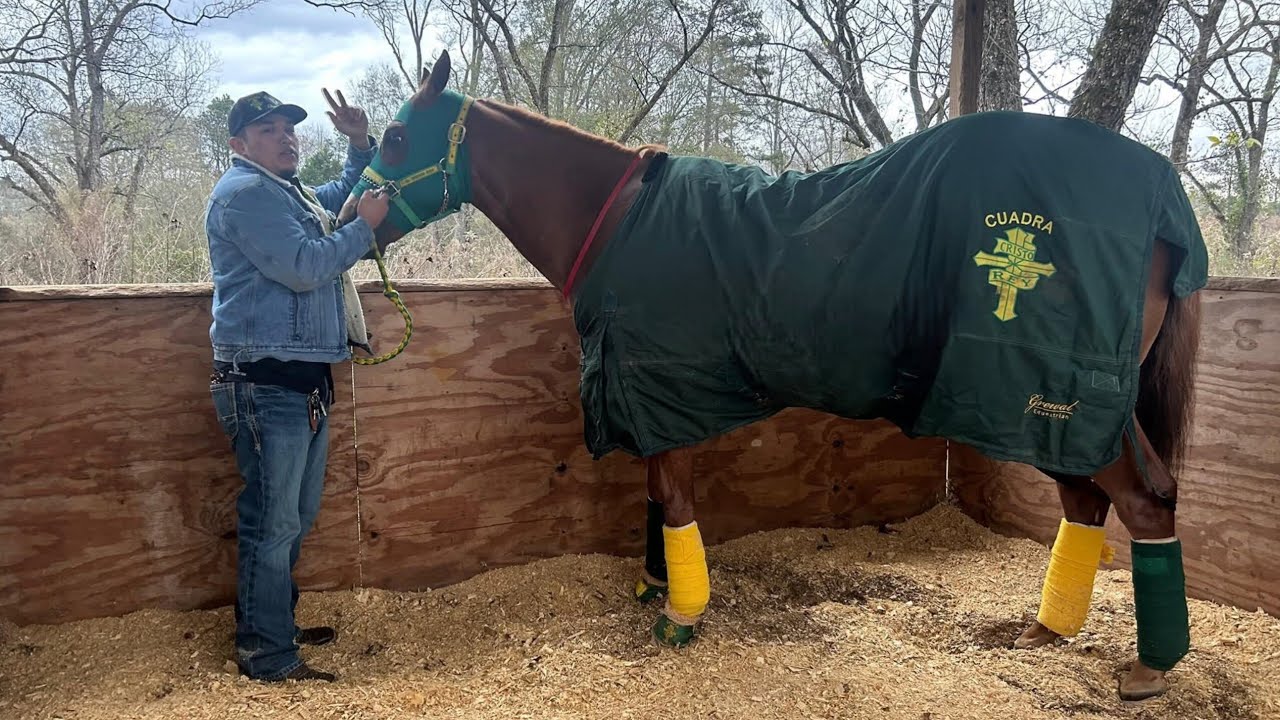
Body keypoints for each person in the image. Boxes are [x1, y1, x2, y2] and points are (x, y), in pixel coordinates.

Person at [205, 88, 390, 682]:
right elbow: (307, 266)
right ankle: (267, 652)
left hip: (298, 381)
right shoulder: (245, 196)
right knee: (274, 519)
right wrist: (363, 232)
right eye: (267, 130)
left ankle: (273, 625)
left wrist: (360, 146)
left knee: (295, 515)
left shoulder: (286, 193)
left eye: (288, 128)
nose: (285, 136)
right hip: (265, 383)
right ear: (238, 145)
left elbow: (340, 198)